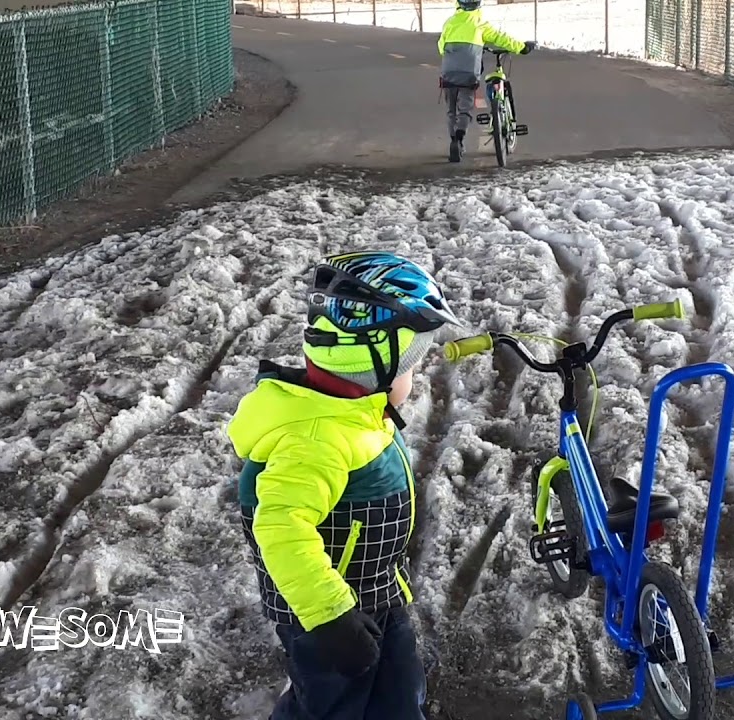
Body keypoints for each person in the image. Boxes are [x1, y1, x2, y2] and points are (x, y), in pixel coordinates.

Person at [228, 251, 463, 720]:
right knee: (331, 707)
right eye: (408, 365)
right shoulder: (316, 437)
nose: (411, 377)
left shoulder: (354, 412)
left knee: (398, 691)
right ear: (369, 360)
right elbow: (279, 526)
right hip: (325, 617)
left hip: (373, 594)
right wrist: (332, 621)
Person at [437, 0, 536, 163]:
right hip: (468, 74)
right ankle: (460, 139)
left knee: (451, 110)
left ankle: (454, 141)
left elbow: (441, 48)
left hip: (449, 73)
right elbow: (501, 38)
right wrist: (522, 47)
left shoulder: (450, 23)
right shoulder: (480, 23)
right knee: (464, 109)